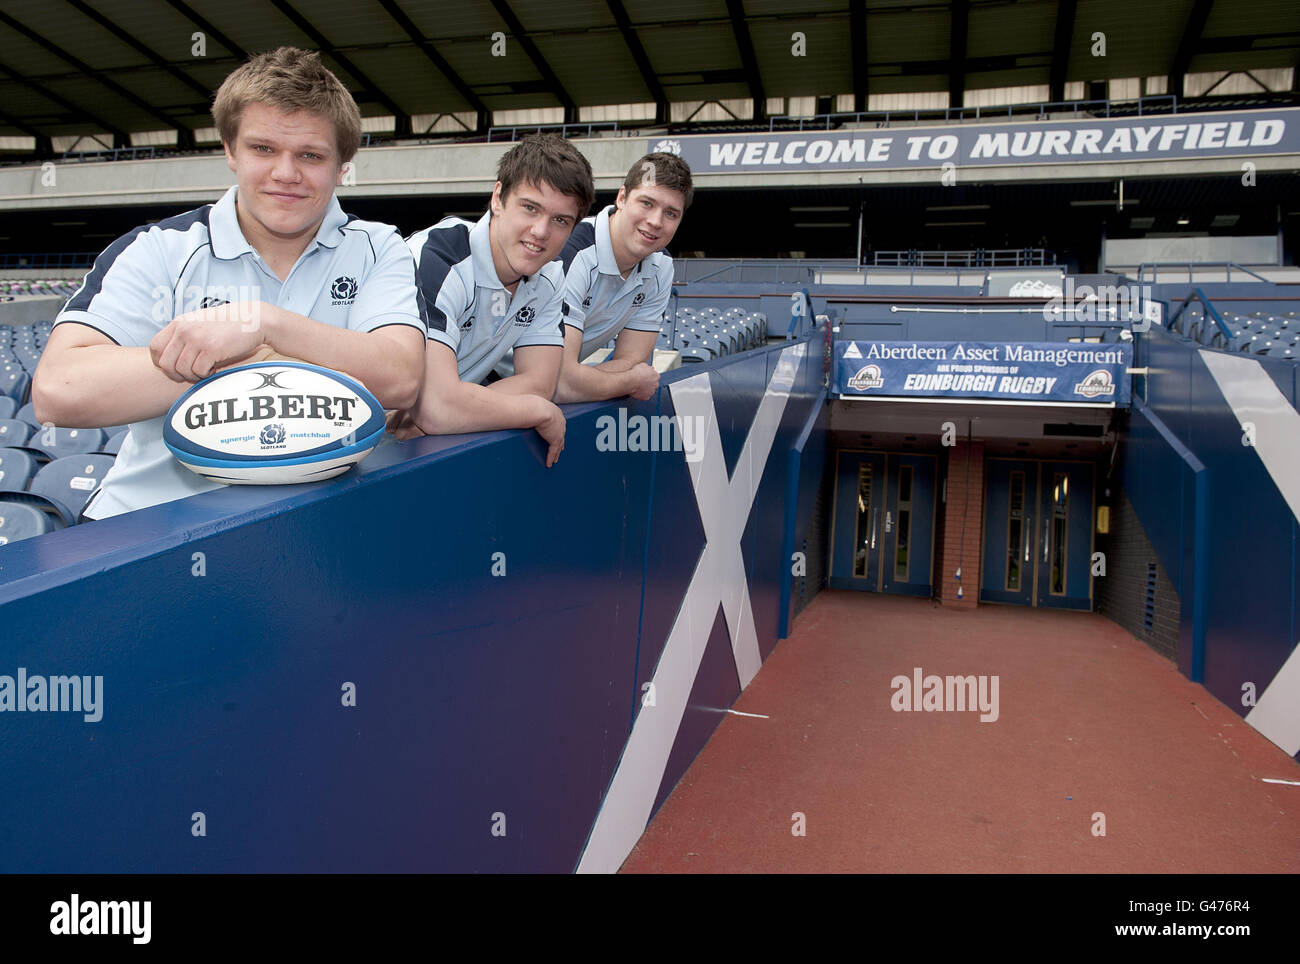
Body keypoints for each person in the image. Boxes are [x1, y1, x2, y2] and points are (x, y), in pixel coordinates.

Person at [32, 46, 426, 519]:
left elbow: (400, 379)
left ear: (343, 165)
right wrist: (251, 362)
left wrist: (264, 325)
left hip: (323, 525)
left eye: (310, 155)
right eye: (263, 148)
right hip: (153, 523)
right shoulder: (159, 249)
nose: (286, 173)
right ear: (230, 151)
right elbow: (59, 392)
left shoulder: (379, 248)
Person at [396, 134, 594, 467]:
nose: (541, 232)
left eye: (560, 221)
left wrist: (454, 407)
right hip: (350, 436)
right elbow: (437, 407)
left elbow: (539, 383)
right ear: (498, 198)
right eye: (530, 208)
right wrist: (534, 411)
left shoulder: (550, 276)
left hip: (421, 438)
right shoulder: (439, 256)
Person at [548, 152, 692, 404]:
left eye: (671, 213)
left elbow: (631, 360)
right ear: (622, 198)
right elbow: (559, 382)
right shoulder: (574, 252)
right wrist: (632, 381)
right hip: (482, 380)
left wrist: (579, 378)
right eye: (646, 203)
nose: (655, 221)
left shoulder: (661, 265)